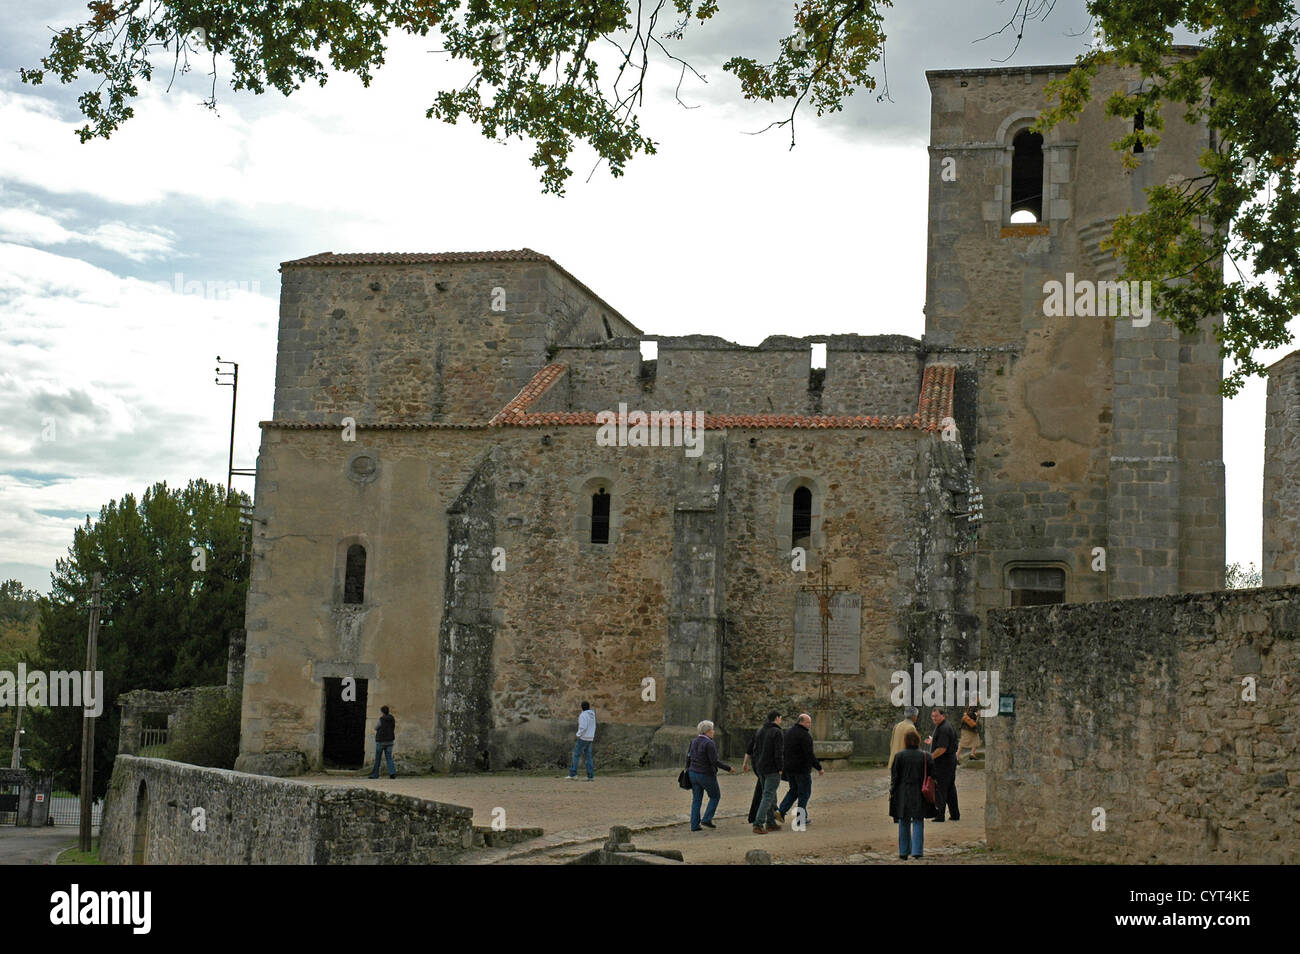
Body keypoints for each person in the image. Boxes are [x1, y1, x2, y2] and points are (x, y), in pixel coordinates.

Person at [889, 729, 934, 859]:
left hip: (903, 791)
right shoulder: (926, 756)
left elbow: (895, 776)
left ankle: (903, 851)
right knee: (918, 821)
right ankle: (917, 851)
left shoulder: (899, 756)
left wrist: (893, 790)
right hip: (919, 792)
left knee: (903, 821)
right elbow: (932, 774)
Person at [775, 712, 823, 826]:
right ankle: (801, 818)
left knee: (794, 790)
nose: (810, 725)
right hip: (802, 769)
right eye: (808, 722)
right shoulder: (805, 736)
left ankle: (781, 811)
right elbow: (809, 754)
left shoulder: (788, 732)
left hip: (790, 768)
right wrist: (819, 767)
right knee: (804, 793)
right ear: (801, 722)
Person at [686, 720, 735, 831]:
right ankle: (707, 818)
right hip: (705, 774)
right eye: (712, 730)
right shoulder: (709, 743)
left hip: (693, 772)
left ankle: (694, 824)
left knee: (696, 800)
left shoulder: (694, 741)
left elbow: (688, 757)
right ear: (708, 731)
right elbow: (714, 761)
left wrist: (688, 770)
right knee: (715, 796)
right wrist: (728, 768)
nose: (714, 732)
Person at [751, 710, 784, 834]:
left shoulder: (760, 731)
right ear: (776, 718)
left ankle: (770, 822)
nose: (781, 721)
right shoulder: (777, 732)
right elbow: (778, 752)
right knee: (768, 796)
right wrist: (780, 767)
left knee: (770, 795)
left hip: (761, 767)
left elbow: (755, 750)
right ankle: (758, 823)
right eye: (780, 718)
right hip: (772, 768)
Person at [924, 707, 960, 822]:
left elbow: (942, 749)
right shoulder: (944, 726)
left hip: (944, 763)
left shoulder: (944, 728)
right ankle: (955, 814)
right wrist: (933, 741)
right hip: (949, 761)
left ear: (943, 716)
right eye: (933, 716)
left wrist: (929, 758)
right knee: (949, 788)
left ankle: (940, 814)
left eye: (936, 716)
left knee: (941, 788)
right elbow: (942, 743)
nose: (934, 718)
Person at [565, 700, 596, 780]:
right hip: (590, 738)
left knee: (576, 755)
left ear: (582, 707)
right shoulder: (592, 715)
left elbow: (583, 727)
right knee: (588, 757)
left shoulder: (583, 715)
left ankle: (573, 774)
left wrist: (577, 735)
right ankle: (590, 776)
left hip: (583, 738)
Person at [888, 706, 922, 771]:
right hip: (904, 762)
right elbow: (913, 747)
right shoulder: (911, 728)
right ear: (914, 716)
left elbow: (891, 743)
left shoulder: (897, 725)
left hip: (894, 760)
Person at [741, 731, 763, 825]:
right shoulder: (775, 732)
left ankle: (753, 816)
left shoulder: (758, 733)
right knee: (766, 792)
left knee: (761, 790)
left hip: (757, 765)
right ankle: (776, 812)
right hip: (766, 767)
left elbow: (749, 750)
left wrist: (745, 763)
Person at [368, 705, 396, 779]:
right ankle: (392, 773)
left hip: (381, 741)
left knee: (378, 758)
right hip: (390, 741)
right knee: (389, 758)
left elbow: (376, 727)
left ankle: (375, 774)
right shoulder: (392, 719)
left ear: (382, 712)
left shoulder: (381, 719)